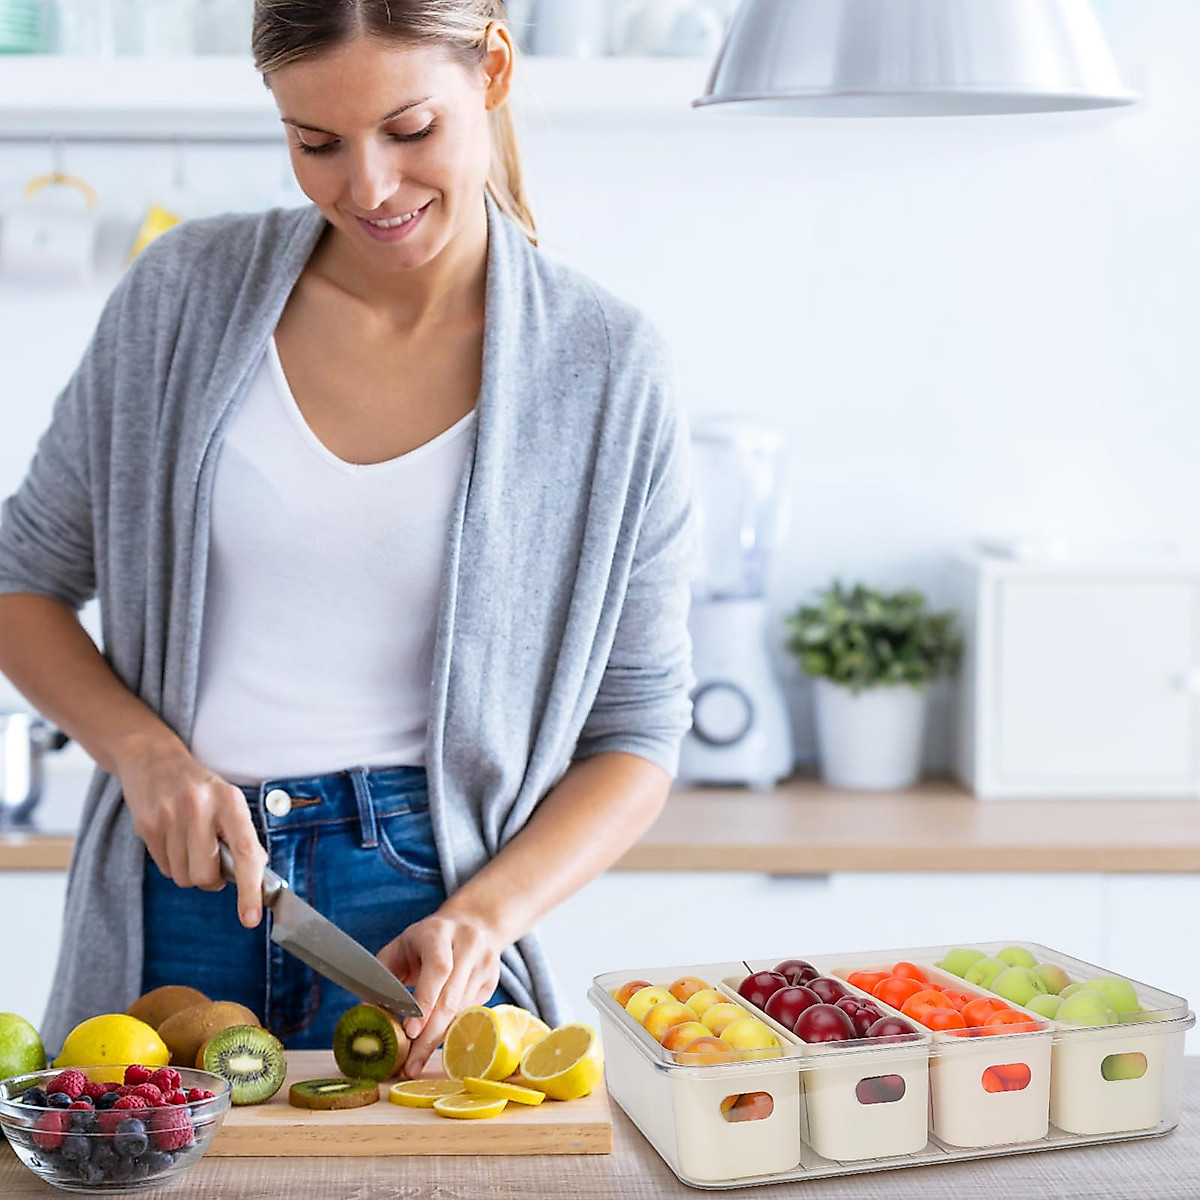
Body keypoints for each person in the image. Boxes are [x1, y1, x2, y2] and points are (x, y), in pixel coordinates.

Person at [0, 0, 694, 1080]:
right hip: (183, 882)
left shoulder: (605, 368)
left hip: (426, 907)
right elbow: (20, 581)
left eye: (408, 129)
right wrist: (144, 753)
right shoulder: (179, 297)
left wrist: (486, 918)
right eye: (314, 143)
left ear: (494, 70)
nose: (365, 187)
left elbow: (639, 735)